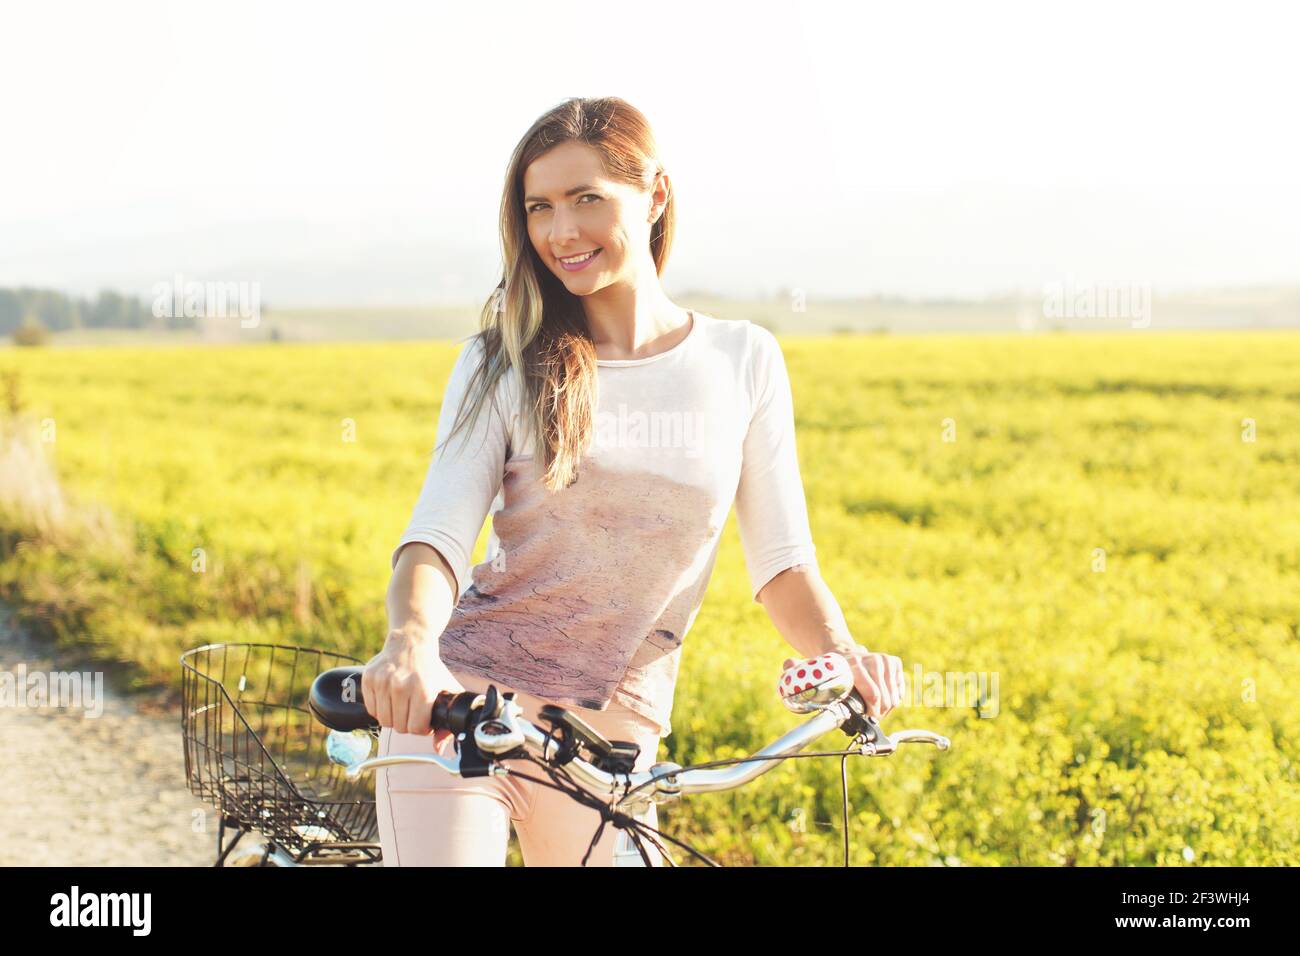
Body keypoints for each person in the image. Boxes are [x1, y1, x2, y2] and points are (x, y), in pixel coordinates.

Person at [363, 96, 904, 866]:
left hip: (611, 745)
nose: (560, 231)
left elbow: (783, 563)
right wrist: (411, 643)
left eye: (587, 199)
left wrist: (843, 652)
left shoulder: (742, 361)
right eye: (539, 207)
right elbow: (438, 536)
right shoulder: (501, 362)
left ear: (654, 195)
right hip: (463, 710)